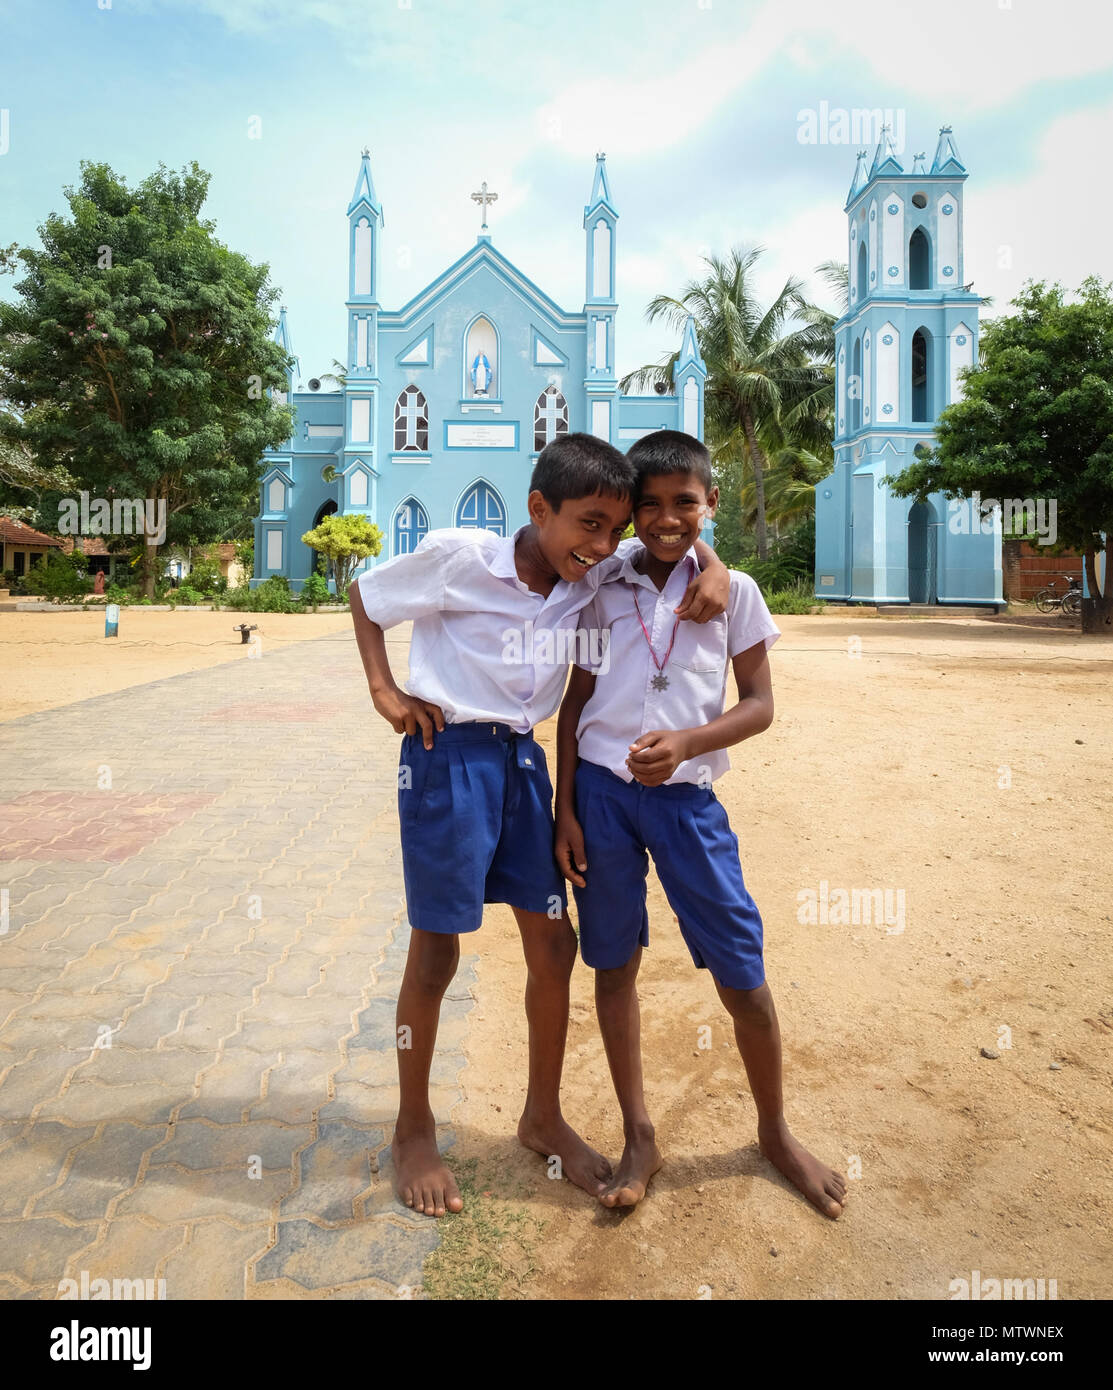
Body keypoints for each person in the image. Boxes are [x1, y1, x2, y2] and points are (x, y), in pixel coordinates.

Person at [349, 432, 730, 1218]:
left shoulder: (587, 579)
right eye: (588, 523)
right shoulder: (463, 557)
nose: (602, 544)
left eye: (612, 530)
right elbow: (366, 595)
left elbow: (675, 541)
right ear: (537, 508)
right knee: (435, 954)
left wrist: (715, 564)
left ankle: (541, 1115)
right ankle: (412, 1128)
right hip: (446, 757)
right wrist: (385, 691)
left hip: (524, 766)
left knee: (555, 943)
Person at [555, 429, 847, 1218]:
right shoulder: (603, 586)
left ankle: (774, 1131)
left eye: (683, 503)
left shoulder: (734, 591)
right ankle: (639, 1133)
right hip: (602, 802)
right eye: (646, 506)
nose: (663, 518)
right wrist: (564, 813)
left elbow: (759, 705)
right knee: (611, 966)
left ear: (709, 504)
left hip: (687, 802)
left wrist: (689, 741)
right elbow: (575, 702)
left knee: (741, 976)